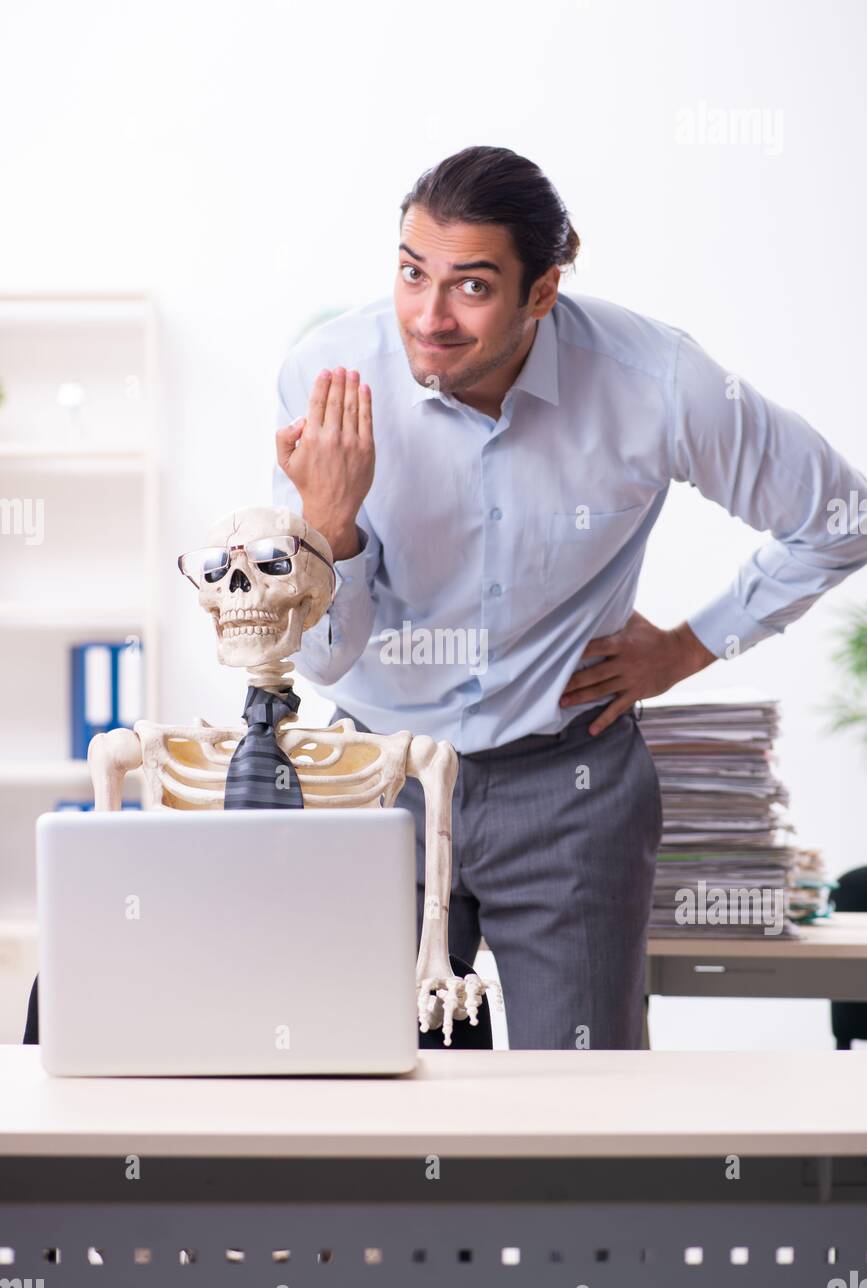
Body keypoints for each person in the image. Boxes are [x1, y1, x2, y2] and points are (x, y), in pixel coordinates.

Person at [270, 144, 867, 1051]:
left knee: (585, 1110)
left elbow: (840, 517)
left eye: (470, 286)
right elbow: (322, 657)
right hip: (375, 781)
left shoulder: (654, 382)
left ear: (541, 292)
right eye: (410, 273)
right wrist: (329, 523)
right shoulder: (333, 377)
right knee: (367, 1094)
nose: (427, 318)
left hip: (569, 790)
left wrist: (689, 646)